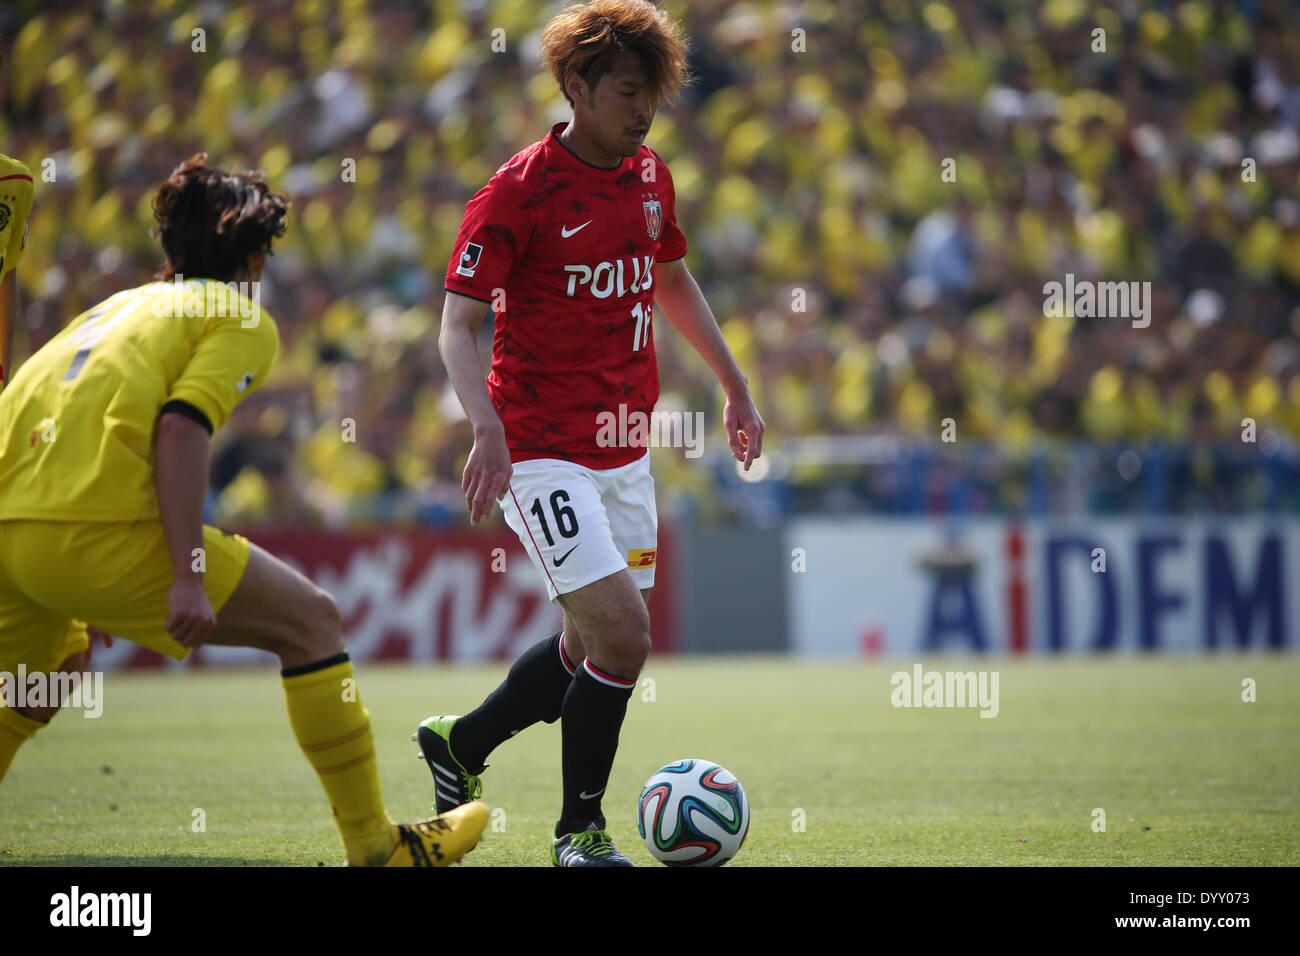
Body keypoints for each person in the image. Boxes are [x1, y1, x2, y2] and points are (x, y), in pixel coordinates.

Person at [0, 153, 487, 866]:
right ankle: (376, 846)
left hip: (13, 526)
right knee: (312, 621)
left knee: (37, 683)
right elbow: (180, 427)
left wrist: (76, 567)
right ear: (255, 256)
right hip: (92, 530)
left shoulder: (107, 311)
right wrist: (184, 571)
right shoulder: (236, 312)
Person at [420, 0, 764, 866]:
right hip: (539, 451)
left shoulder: (650, 176)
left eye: (652, 93)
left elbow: (672, 280)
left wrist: (734, 385)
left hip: (623, 452)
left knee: (587, 648)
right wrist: (486, 431)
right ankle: (580, 831)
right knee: (626, 640)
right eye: (624, 92)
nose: (642, 110)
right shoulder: (517, 192)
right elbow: (456, 328)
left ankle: (461, 743)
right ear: (575, 86)